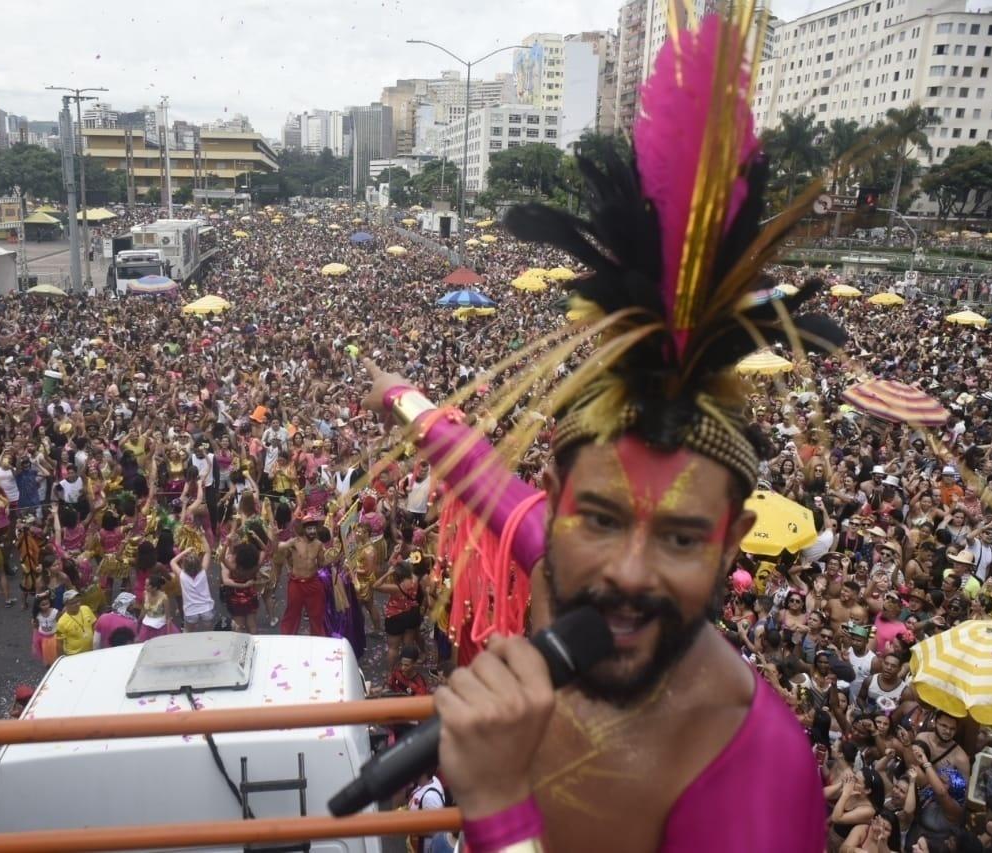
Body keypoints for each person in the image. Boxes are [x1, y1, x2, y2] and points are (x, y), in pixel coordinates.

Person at [358, 11, 837, 847]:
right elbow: (478, 469)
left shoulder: (754, 762)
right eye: (603, 518)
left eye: (682, 538)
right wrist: (403, 397)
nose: (627, 571)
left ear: (734, 543)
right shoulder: (562, 552)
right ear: (560, 503)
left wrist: (502, 804)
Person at [276, 511, 327, 636]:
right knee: (292, 613)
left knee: (316, 614)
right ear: (304, 529)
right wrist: (273, 536)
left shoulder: (319, 545)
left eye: (314, 528)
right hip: (296, 584)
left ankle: (317, 639)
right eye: (309, 528)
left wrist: (334, 556)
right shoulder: (295, 542)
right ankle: (287, 638)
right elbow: (279, 548)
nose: (312, 531)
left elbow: (322, 563)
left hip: (313, 583)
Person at [169, 549, 215, 632]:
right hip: (206, 608)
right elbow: (208, 551)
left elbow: (172, 562)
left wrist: (184, 552)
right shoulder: (203, 573)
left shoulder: (182, 575)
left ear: (184, 565)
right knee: (209, 633)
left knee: (188, 632)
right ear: (198, 563)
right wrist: (202, 536)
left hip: (190, 611)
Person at [55, 589, 96, 655]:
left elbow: (94, 626)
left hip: (91, 652)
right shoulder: (61, 622)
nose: (77, 604)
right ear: (66, 604)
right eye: (73, 603)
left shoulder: (86, 609)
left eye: (78, 601)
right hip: (74, 656)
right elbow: (59, 644)